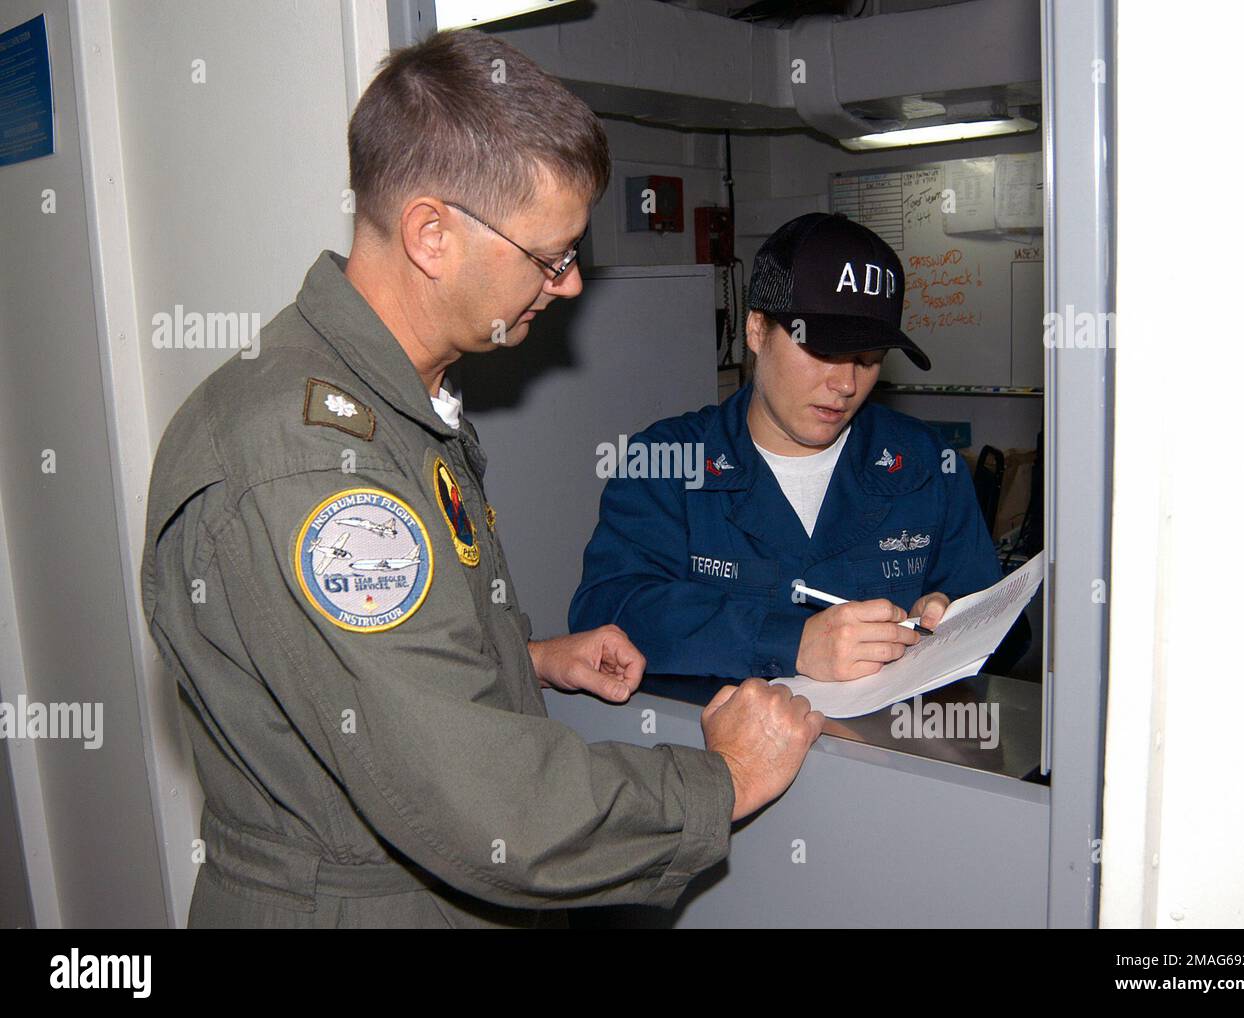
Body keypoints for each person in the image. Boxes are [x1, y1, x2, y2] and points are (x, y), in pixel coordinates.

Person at [141, 30, 822, 929]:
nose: (571, 286)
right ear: (431, 234)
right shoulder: (309, 464)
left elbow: (350, 677)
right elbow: (489, 808)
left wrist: (526, 661)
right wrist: (722, 778)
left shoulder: (390, 401)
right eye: (550, 257)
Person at [568, 213, 1004, 692]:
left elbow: (1003, 621)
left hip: (886, 759)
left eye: (868, 359)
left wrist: (950, 618)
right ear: (757, 330)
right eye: (821, 351)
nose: (845, 385)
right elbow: (608, 609)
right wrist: (788, 642)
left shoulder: (925, 465)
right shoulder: (666, 463)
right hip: (710, 758)